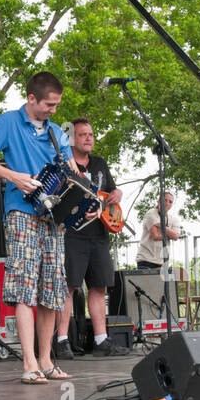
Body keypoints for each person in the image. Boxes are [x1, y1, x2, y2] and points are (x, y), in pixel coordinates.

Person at [0, 71, 76, 385]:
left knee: (50, 292)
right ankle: (28, 363)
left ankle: (45, 360)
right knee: (25, 289)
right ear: (32, 98)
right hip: (22, 212)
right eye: (49, 104)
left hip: (54, 217)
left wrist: (87, 198)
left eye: (56, 105)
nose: (53, 110)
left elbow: (72, 172)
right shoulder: (9, 121)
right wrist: (13, 176)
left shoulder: (58, 132)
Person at [56, 118, 126, 358]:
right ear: (72, 139)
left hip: (99, 233)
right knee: (69, 286)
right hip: (73, 234)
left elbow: (111, 190)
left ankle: (101, 340)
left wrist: (117, 193)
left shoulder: (100, 163)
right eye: (83, 134)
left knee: (99, 286)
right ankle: (62, 340)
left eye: (91, 134)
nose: (89, 138)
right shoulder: (66, 164)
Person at [136, 192, 179, 272]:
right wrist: (170, 235)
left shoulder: (173, 219)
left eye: (170, 201)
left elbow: (176, 236)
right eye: (165, 200)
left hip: (162, 261)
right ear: (158, 201)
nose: (167, 203)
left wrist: (160, 225)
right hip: (146, 259)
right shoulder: (151, 213)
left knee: (161, 284)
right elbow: (155, 236)